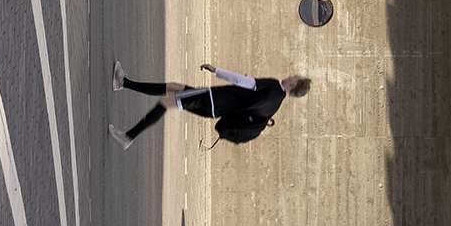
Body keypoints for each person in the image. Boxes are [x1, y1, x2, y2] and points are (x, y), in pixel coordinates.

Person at [108, 60, 310, 149]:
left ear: (294, 84)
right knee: (174, 87)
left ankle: (128, 136)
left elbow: (243, 81)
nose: (291, 75)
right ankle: (124, 83)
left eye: (294, 77)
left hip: (211, 98)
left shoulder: (274, 86)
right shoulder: (275, 105)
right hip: (215, 110)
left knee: (166, 103)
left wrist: (216, 70)